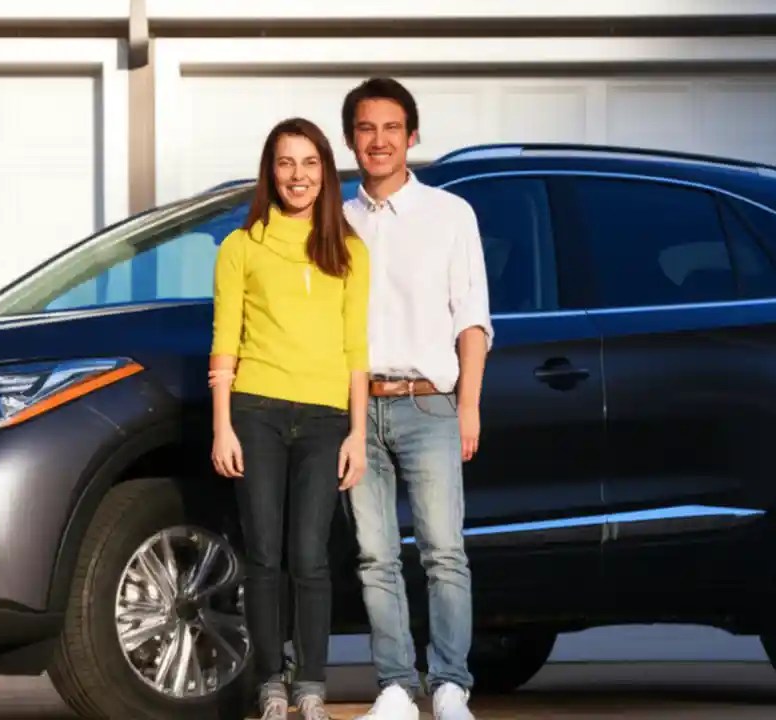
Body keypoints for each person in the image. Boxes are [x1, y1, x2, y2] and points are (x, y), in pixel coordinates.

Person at [340, 78, 493, 720]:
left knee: (443, 551)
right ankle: (397, 688)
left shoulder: (450, 214)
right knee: (375, 556)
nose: (379, 140)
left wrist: (468, 405)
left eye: (391, 128)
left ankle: (451, 684)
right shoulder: (336, 223)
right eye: (366, 129)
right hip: (356, 410)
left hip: (430, 403)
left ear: (412, 136)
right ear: (351, 139)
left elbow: (472, 318)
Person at [209, 116, 371, 720]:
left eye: (309, 163)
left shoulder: (350, 250)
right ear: (270, 172)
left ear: (325, 172)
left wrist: (358, 433)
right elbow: (225, 342)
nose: (297, 175)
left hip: (327, 419)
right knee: (263, 555)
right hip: (256, 412)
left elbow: (357, 350)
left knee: (310, 555)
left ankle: (312, 685)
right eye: (285, 163)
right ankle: (270, 684)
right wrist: (222, 425)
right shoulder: (241, 247)